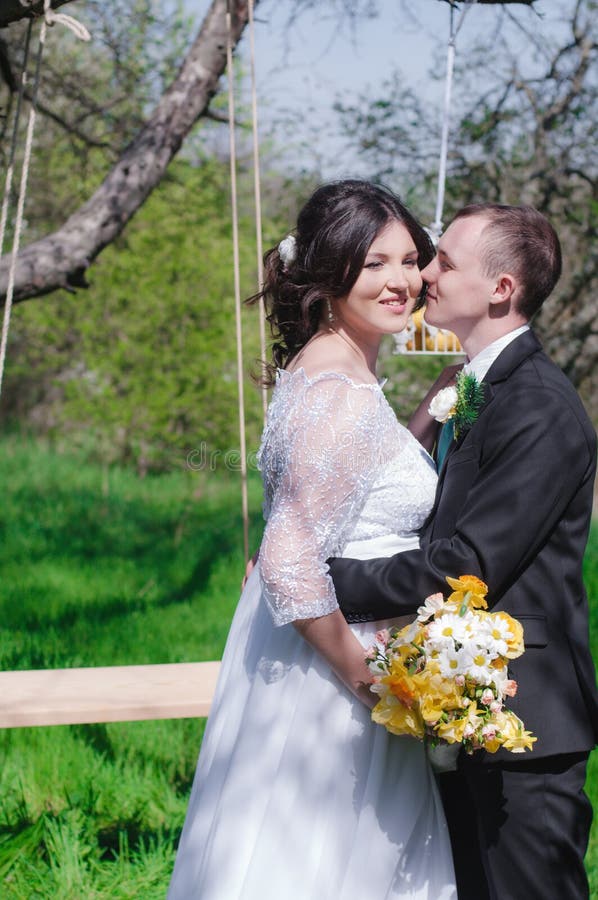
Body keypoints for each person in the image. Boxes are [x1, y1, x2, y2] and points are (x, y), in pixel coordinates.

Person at [167, 180, 457, 899]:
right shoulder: (337, 390)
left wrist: (425, 416)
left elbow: (339, 493)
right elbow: (291, 564)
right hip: (334, 680)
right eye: (374, 265)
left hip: (321, 659)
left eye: (410, 259)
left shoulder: (338, 367)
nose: (401, 281)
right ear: (330, 276)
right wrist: (371, 684)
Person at [328, 203, 598, 900]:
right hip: (455, 699)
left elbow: (465, 563)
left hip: (523, 717)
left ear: (501, 289)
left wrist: (326, 582)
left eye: (444, 260)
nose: (425, 273)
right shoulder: (470, 389)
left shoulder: (539, 406)